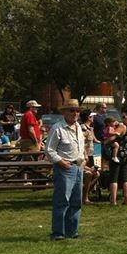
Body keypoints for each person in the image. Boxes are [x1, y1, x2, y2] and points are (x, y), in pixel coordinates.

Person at [45, 100, 86, 240]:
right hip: (64, 169)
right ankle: (58, 233)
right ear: (64, 112)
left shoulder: (79, 127)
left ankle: (72, 232)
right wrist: (61, 162)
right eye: (72, 110)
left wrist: (83, 160)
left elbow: (80, 147)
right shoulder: (58, 128)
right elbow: (49, 150)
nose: (75, 113)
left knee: (76, 202)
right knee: (62, 201)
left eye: (77, 111)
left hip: (78, 167)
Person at [108, 110, 127, 205]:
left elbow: (113, 136)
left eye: (124, 117)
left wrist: (106, 140)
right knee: (125, 177)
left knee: (114, 177)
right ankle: (126, 199)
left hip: (117, 154)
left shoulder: (123, 127)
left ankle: (113, 200)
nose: (122, 119)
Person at [78, 109, 99, 205]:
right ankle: (83, 197)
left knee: (96, 174)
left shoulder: (89, 128)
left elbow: (94, 140)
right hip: (83, 157)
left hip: (90, 156)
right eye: (92, 116)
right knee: (89, 174)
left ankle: (84, 194)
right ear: (88, 117)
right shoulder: (82, 129)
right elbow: (80, 144)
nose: (93, 117)